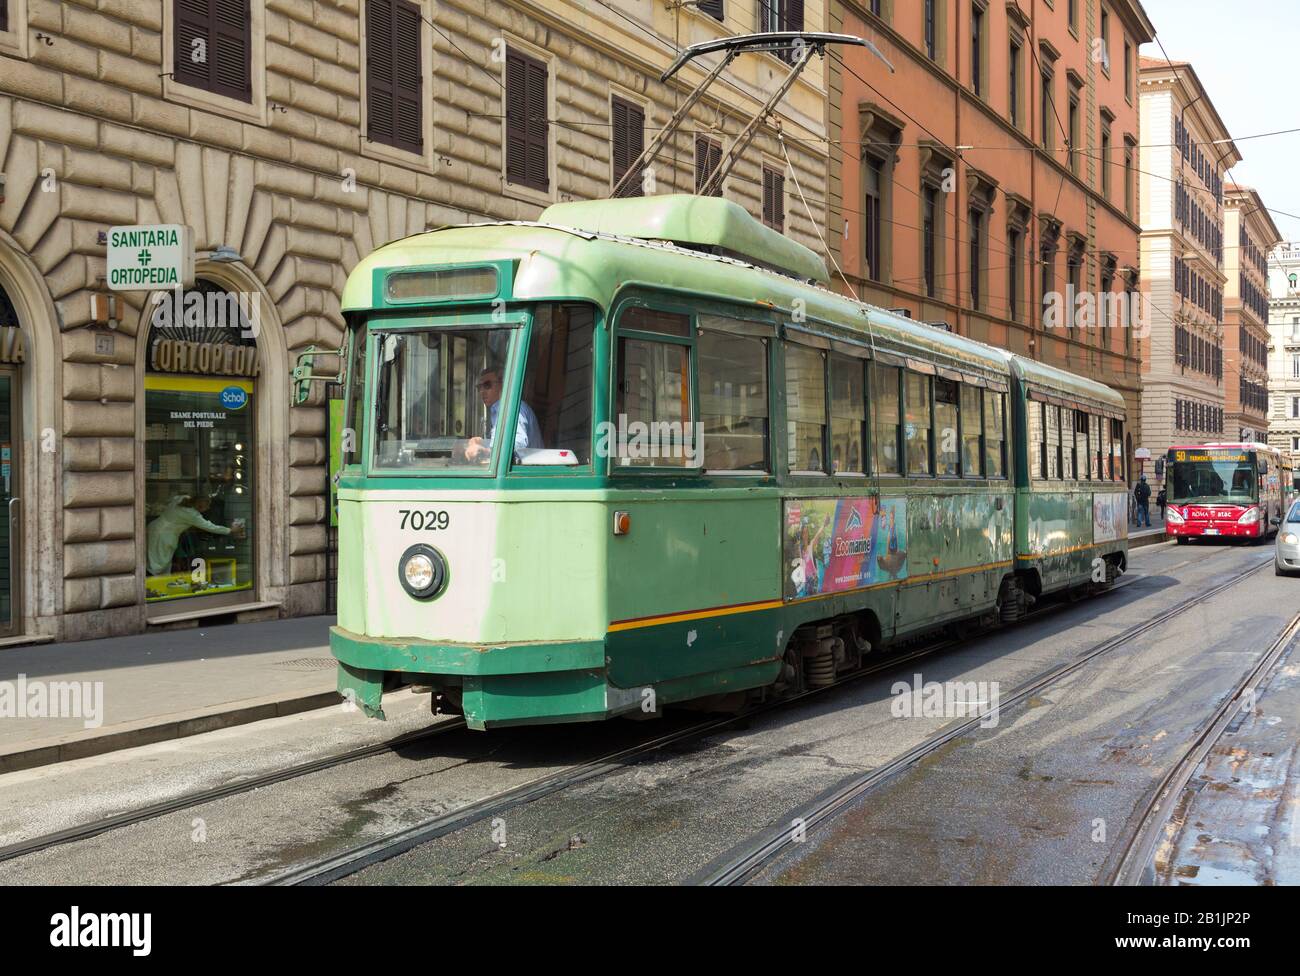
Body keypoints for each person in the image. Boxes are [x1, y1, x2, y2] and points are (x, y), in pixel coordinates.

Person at [146, 495, 245, 575]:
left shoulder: (181, 499)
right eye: (208, 506)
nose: (209, 508)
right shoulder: (192, 515)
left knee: (150, 559)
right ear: (201, 506)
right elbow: (210, 527)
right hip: (164, 536)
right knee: (159, 565)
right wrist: (230, 530)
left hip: (153, 528)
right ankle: (154, 587)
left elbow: (172, 503)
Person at [463, 367, 541, 463]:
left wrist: (484, 451)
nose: (482, 391)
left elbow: (517, 445)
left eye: (487, 385)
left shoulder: (514, 408)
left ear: (502, 385)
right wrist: (482, 443)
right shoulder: (498, 410)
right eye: (479, 387)